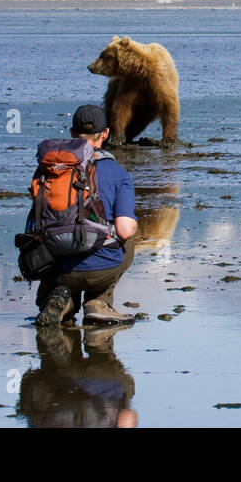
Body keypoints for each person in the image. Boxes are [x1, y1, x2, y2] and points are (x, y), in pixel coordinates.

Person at [34, 105, 139, 327]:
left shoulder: (50, 169)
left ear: (72, 134)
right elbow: (124, 229)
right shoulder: (117, 172)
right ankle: (98, 302)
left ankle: (60, 300)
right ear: (106, 134)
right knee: (128, 239)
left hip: (56, 267)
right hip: (101, 269)